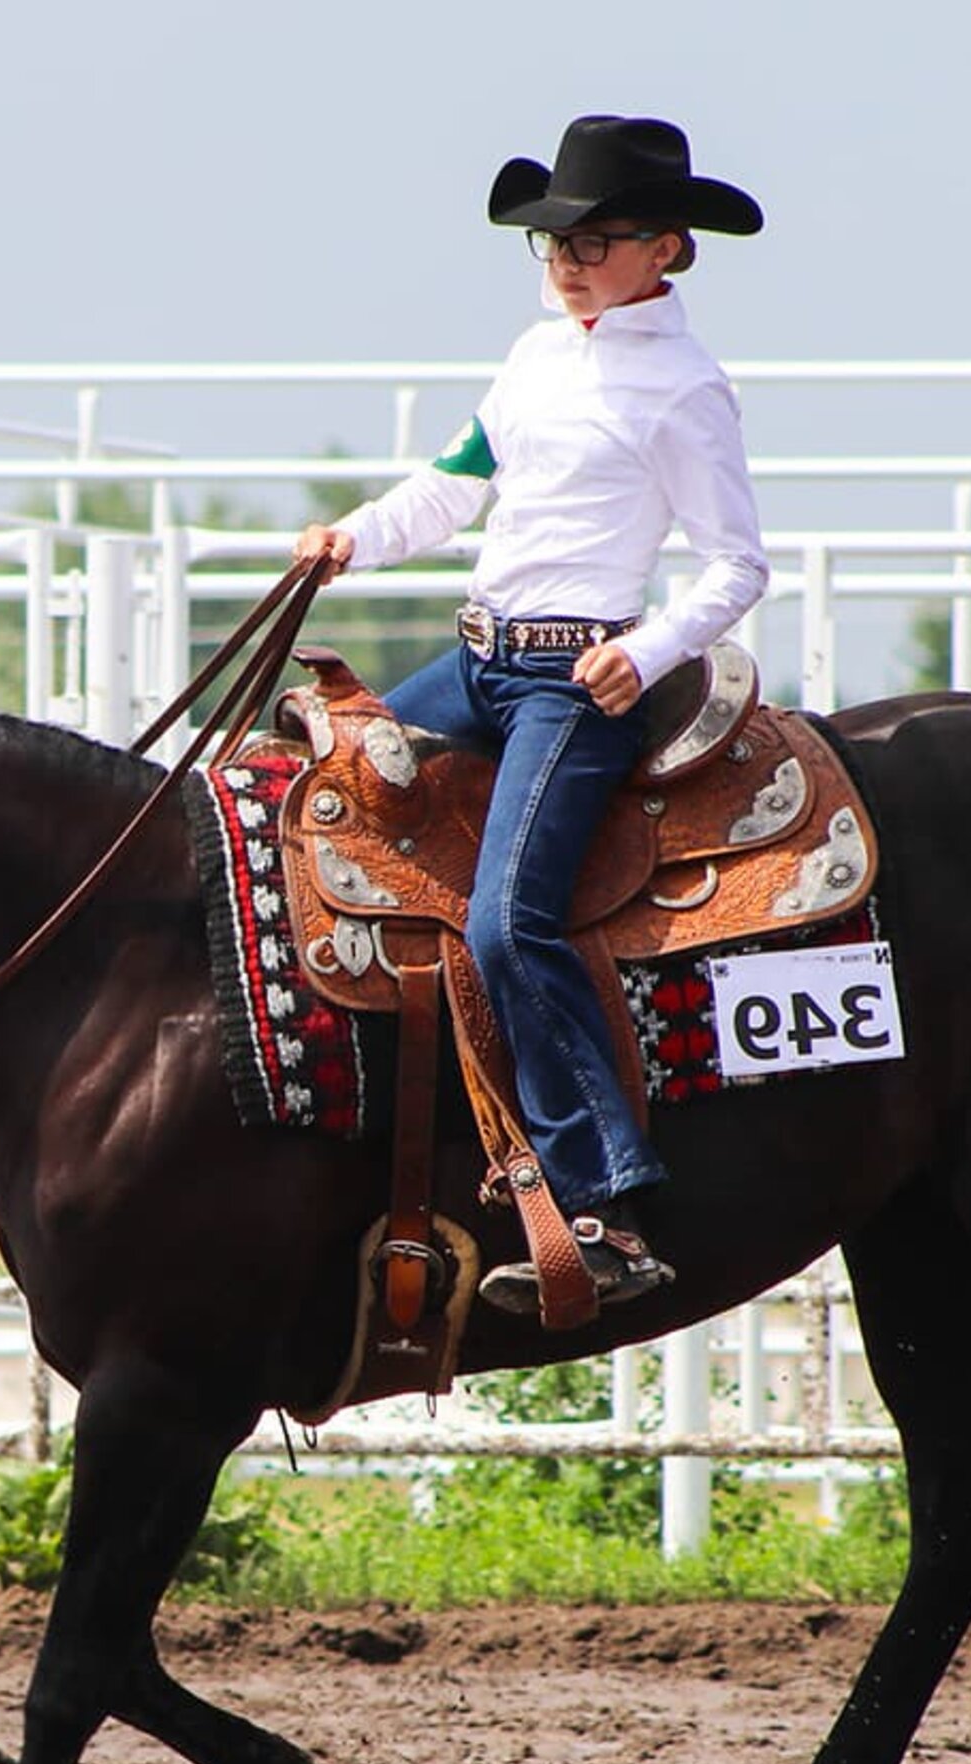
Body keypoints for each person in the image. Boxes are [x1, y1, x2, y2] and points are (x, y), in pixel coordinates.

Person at [294, 113, 770, 1313]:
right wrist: (354, 537)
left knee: (512, 923)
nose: (565, 258)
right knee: (301, 783)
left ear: (668, 249)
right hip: (477, 658)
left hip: (574, 679)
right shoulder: (535, 354)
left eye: (596, 239)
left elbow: (734, 565)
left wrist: (649, 648)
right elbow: (456, 484)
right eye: (553, 238)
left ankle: (603, 1199)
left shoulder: (687, 390)